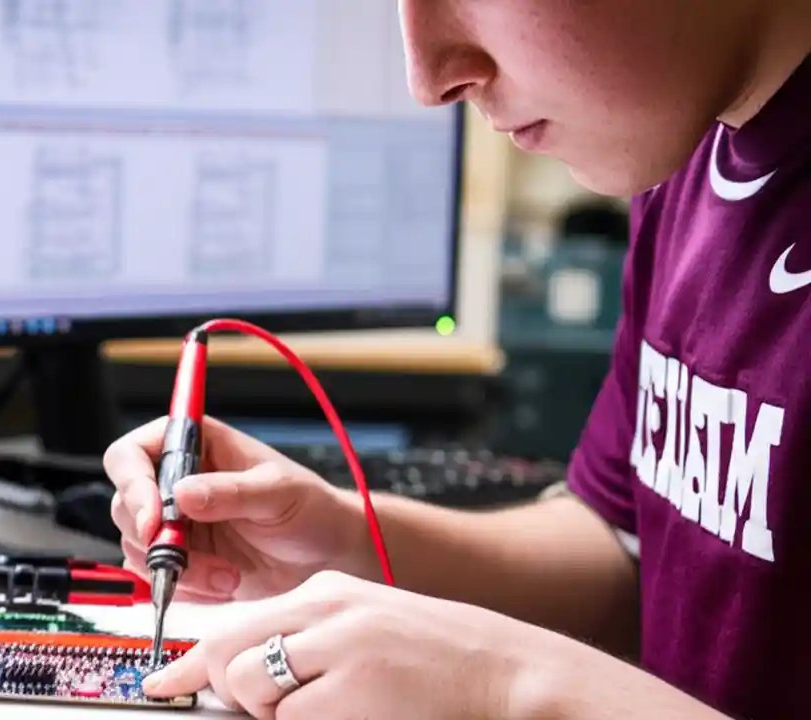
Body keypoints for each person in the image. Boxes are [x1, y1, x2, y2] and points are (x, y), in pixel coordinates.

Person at [104, 2, 811, 718]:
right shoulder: (687, 155)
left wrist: (507, 686)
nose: (429, 80)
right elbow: (634, 557)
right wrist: (346, 543)